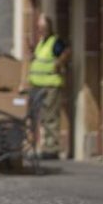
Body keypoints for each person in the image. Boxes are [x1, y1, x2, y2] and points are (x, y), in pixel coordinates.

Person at [26, 14, 68, 160]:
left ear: (49, 27)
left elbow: (66, 52)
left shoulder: (55, 41)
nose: (41, 30)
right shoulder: (41, 43)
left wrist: (59, 63)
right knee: (42, 118)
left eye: (43, 27)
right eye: (39, 28)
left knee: (50, 117)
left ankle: (52, 148)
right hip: (38, 85)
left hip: (50, 85)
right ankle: (44, 145)